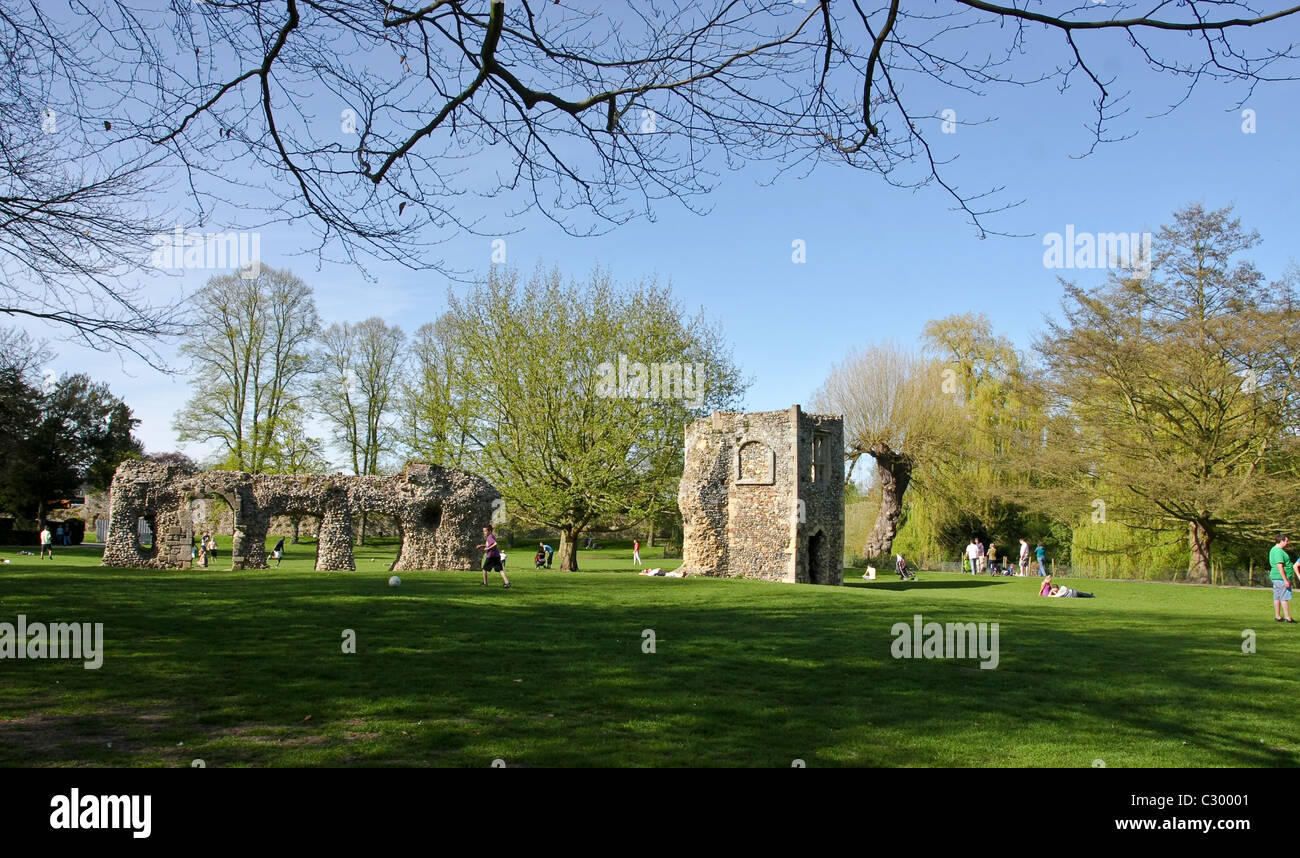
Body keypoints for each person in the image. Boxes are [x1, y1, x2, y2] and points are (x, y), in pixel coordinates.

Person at [1269, 535, 1296, 623]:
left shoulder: (1274, 549)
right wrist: (1285, 579)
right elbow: (1279, 565)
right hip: (1280, 578)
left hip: (1276, 577)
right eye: (1286, 541)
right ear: (1281, 541)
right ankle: (1288, 618)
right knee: (1284, 597)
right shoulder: (1278, 551)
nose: (1288, 543)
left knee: (1277, 597)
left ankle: (1278, 616)